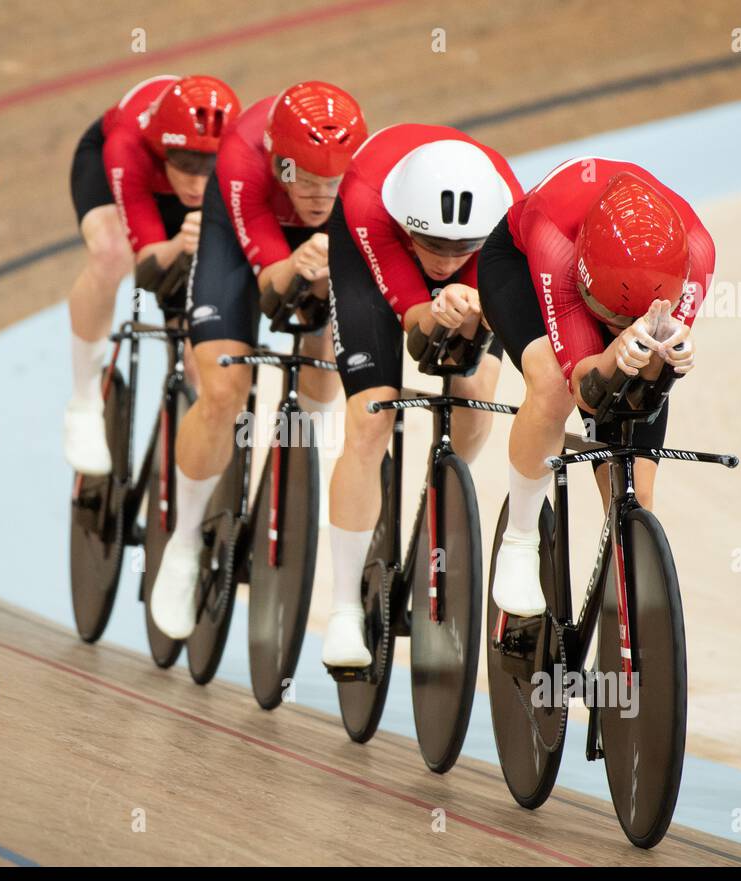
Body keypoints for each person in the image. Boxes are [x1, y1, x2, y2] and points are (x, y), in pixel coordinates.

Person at [149, 81, 368, 639]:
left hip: (313, 244)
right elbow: (272, 283)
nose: (320, 195)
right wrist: (300, 263)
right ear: (281, 163)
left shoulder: (361, 178)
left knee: (325, 329)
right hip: (239, 232)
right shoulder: (245, 160)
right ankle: (183, 539)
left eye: (332, 182)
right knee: (224, 389)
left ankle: (303, 456)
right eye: (308, 180)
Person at [321, 125, 523, 667]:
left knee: (476, 398)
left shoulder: (511, 214)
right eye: (433, 245)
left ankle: (442, 494)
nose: (444, 259)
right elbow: (414, 324)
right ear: (410, 226)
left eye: (460, 247)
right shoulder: (369, 199)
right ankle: (342, 609)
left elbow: (505, 304)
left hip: (491, 259)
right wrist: (434, 310)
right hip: (372, 259)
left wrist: (476, 305)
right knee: (370, 416)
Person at [478, 157, 716, 617]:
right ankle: (520, 539)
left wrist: (666, 356)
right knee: (551, 383)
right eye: (611, 319)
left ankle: (622, 627)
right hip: (525, 268)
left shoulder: (698, 251)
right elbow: (587, 390)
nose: (616, 327)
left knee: (636, 496)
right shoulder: (554, 244)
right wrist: (613, 353)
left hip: (622, 287)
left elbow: (645, 385)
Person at [64, 75, 241, 474]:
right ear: (163, 150)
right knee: (111, 253)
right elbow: (147, 271)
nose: (197, 182)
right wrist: (179, 245)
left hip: (182, 201)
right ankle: (83, 403)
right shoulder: (129, 146)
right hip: (122, 178)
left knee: (202, 363)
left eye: (207, 169)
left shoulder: (241, 154)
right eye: (186, 166)